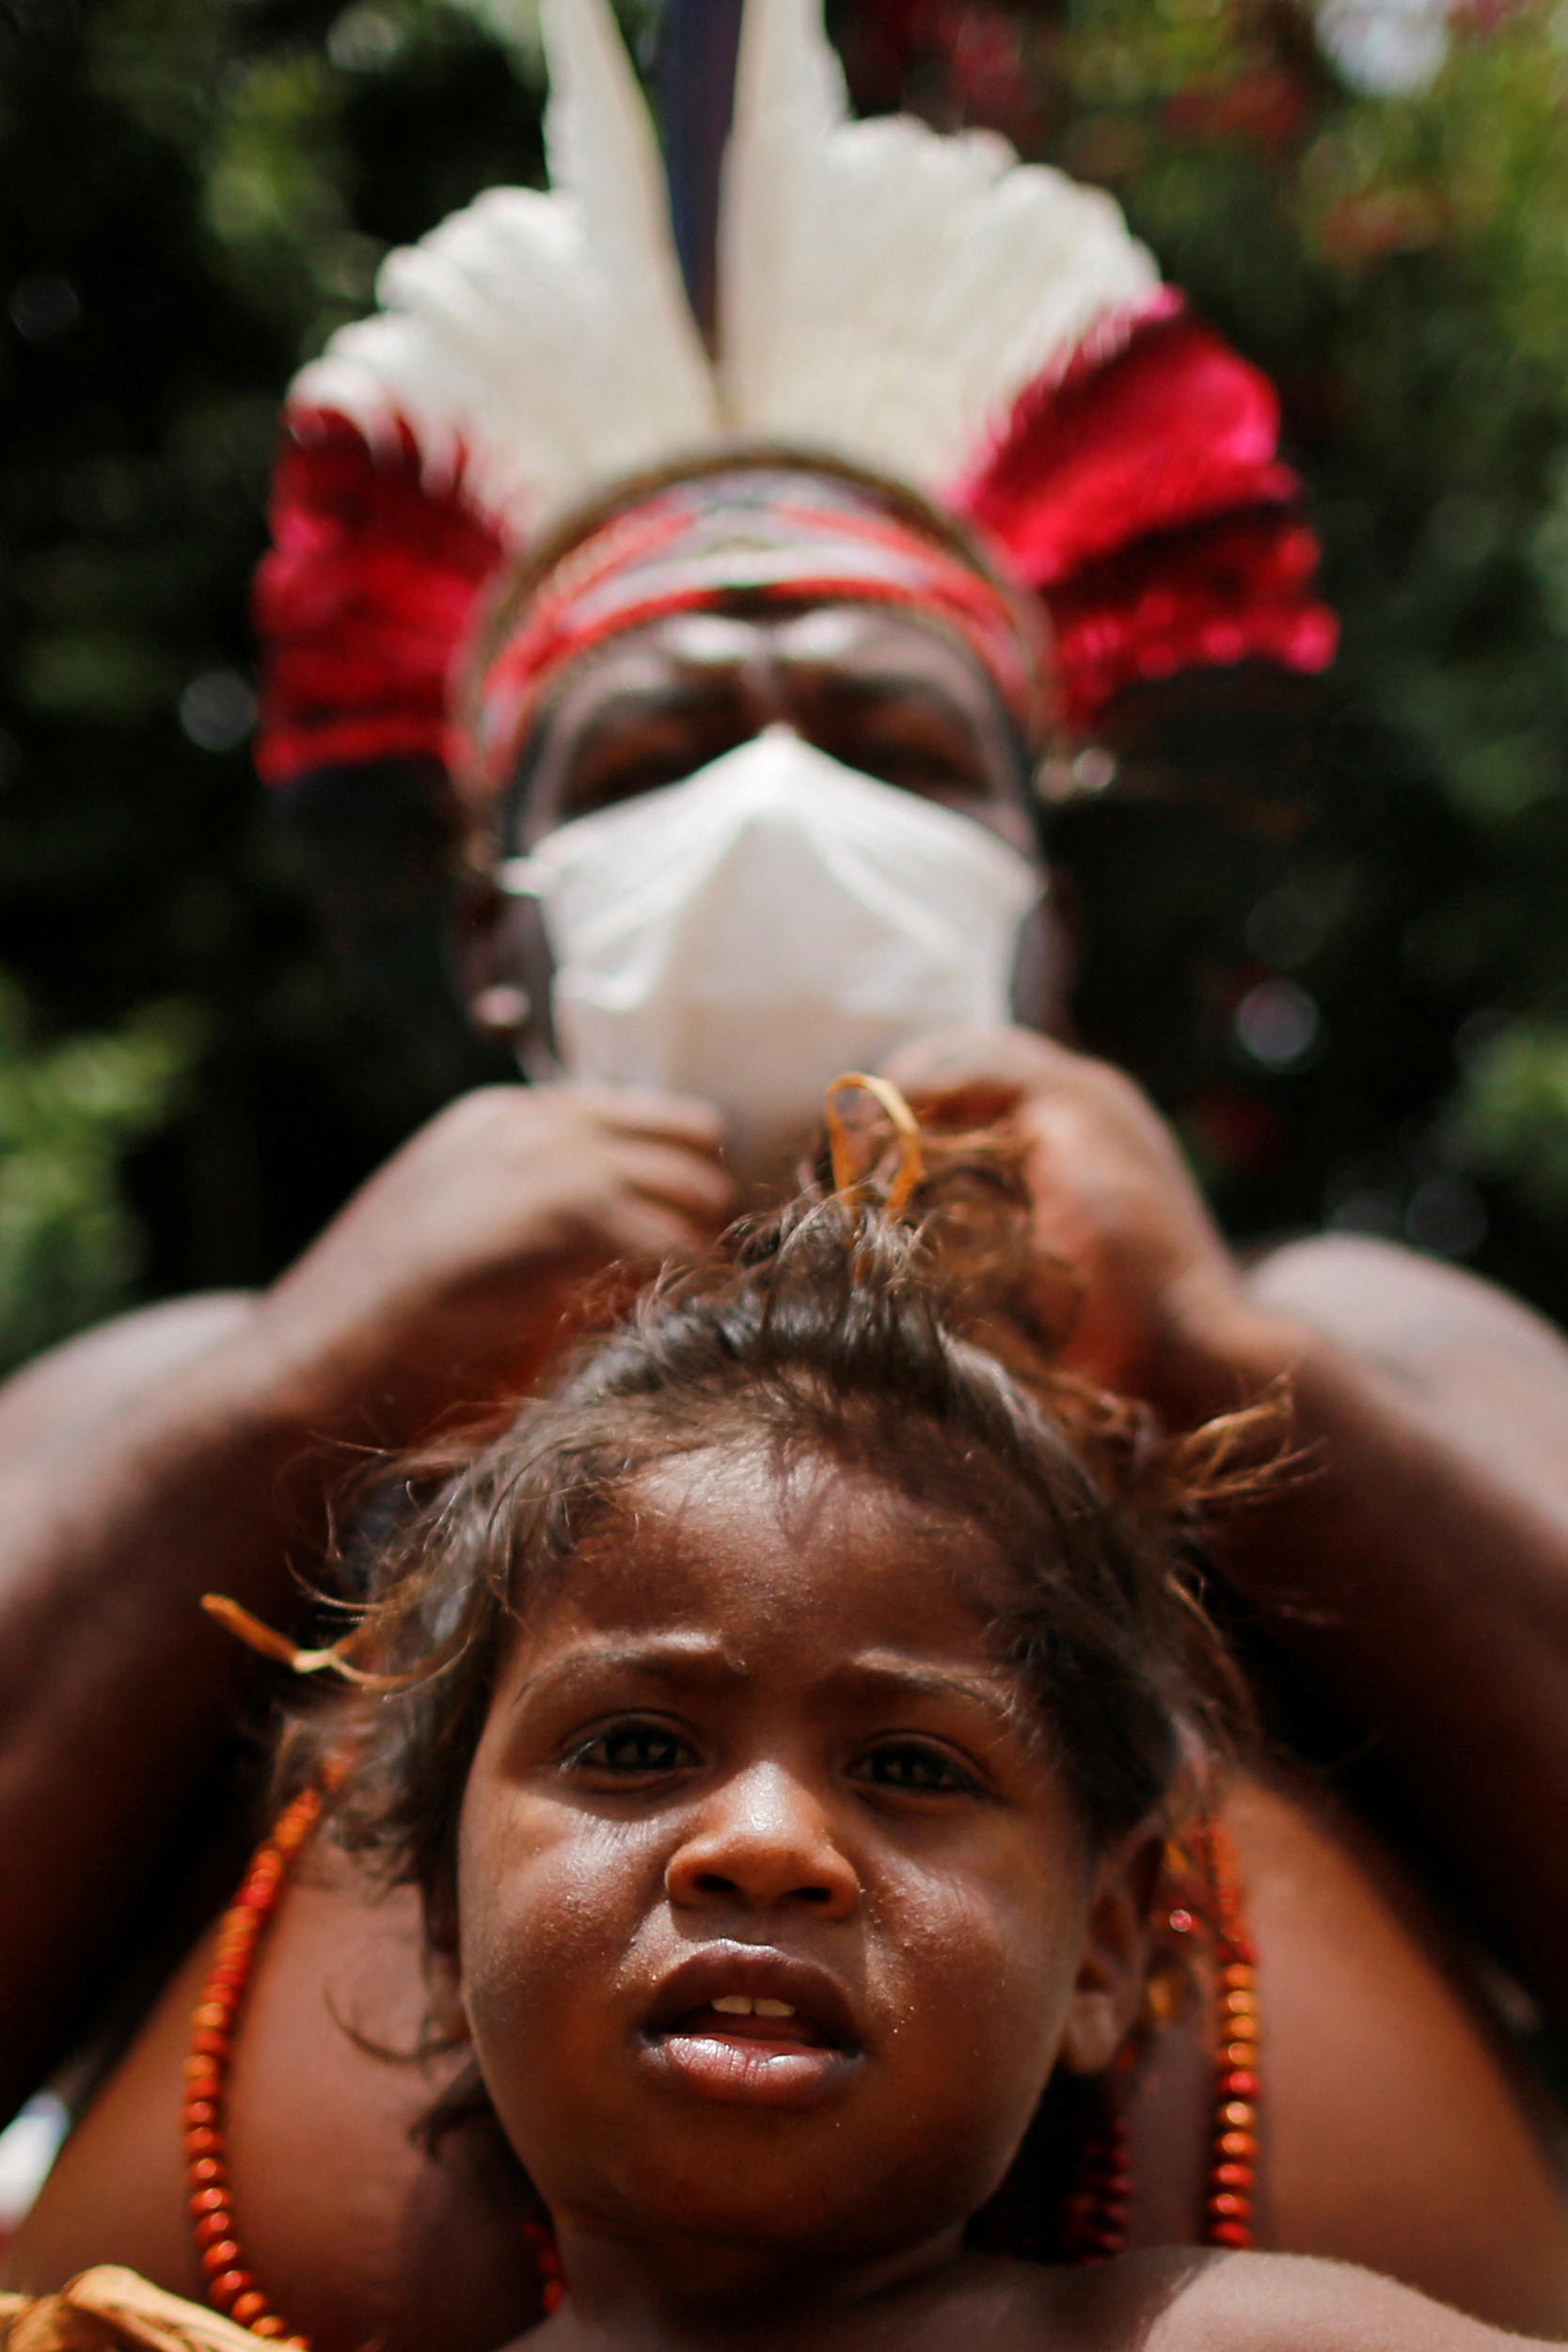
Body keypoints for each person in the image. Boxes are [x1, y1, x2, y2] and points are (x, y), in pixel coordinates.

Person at [8, 0, 1568, 2341]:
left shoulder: (1368, 1345)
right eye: (654, 745)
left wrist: (1246, 1374)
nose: (769, 798)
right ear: (495, 932)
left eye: (881, 739)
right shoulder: (220, 1396)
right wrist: (290, 1392)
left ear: (1033, 903)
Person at [11, 1147, 1568, 2352]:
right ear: (435, 1913)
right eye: (632, 1747)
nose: (764, 1839)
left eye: (909, 1767)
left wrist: (1220, 1336)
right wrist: (303, 1366)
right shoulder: (226, 1379)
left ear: (1107, 1944)